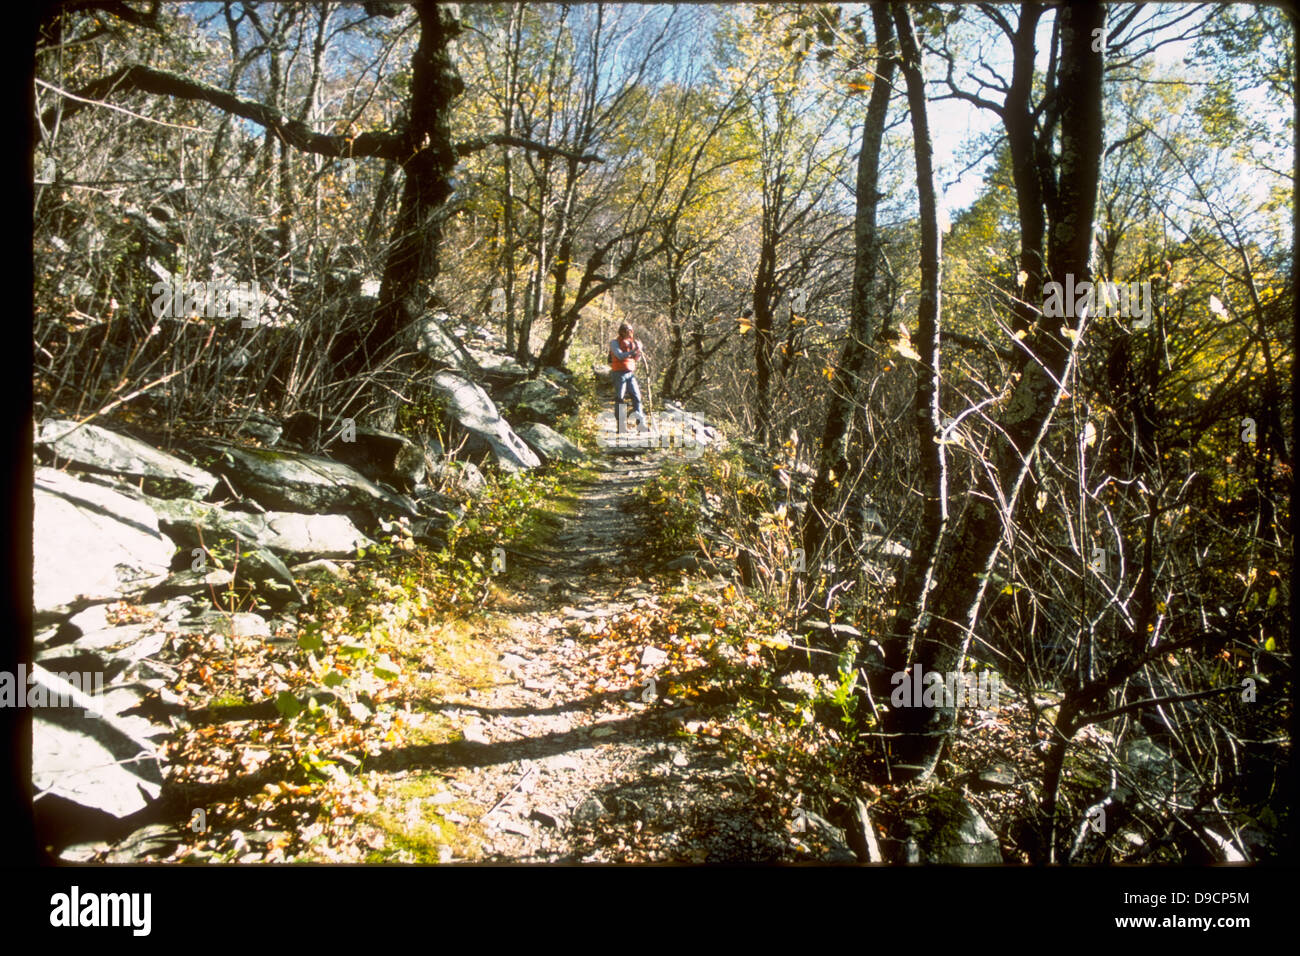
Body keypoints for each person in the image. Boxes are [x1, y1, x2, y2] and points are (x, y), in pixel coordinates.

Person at [609, 322, 649, 432]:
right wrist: (633, 351)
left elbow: (636, 359)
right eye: (628, 330)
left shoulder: (633, 343)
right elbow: (619, 355)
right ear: (622, 331)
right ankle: (621, 427)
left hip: (630, 373)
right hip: (619, 373)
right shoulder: (614, 343)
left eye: (631, 330)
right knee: (620, 399)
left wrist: (639, 351)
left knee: (637, 397)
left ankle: (641, 425)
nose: (630, 332)